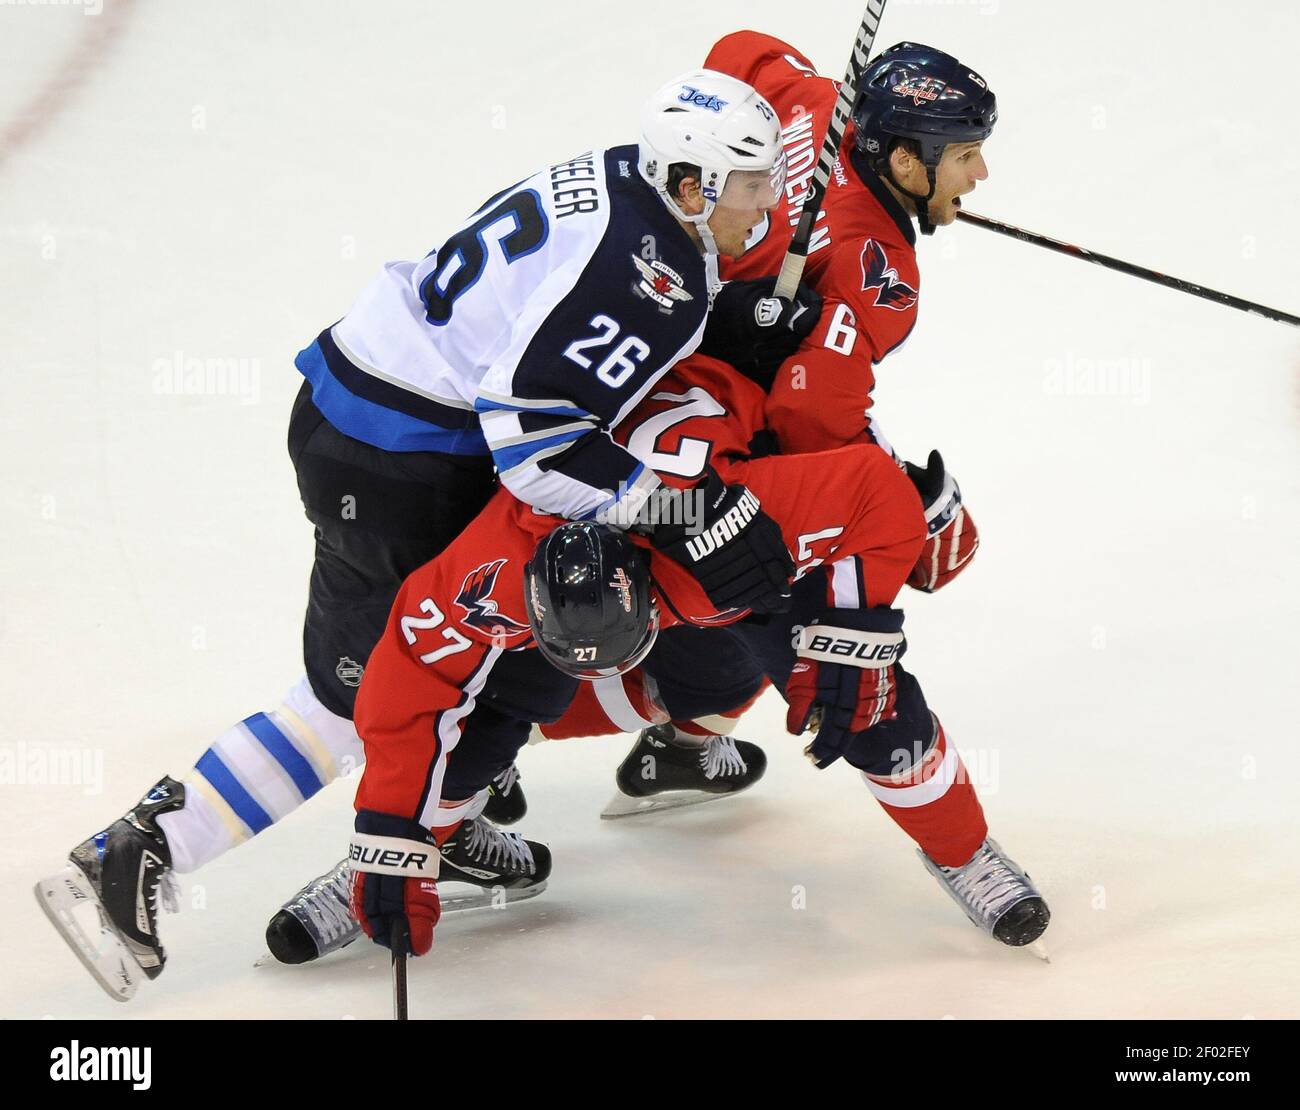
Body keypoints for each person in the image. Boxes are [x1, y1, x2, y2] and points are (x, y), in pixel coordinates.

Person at [35, 68, 825, 1002]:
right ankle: (137, 851)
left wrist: (726, 326)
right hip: (396, 458)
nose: (769, 201)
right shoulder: (644, 269)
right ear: (691, 186)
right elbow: (533, 446)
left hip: (366, 407)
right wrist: (679, 507)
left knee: (500, 643)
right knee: (370, 689)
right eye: (751, 183)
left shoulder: (634, 177)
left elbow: (558, 331)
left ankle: (457, 815)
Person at [494, 34, 997, 819]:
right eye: (967, 154)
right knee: (732, 594)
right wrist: (903, 490)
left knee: (664, 617)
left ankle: (664, 747)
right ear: (905, 162)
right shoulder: (880, 272)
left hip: (619, 364)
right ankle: (489, 743)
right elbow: (807, 420)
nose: (982, 174)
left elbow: (744, 52)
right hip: (684, 440)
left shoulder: (813, 106)